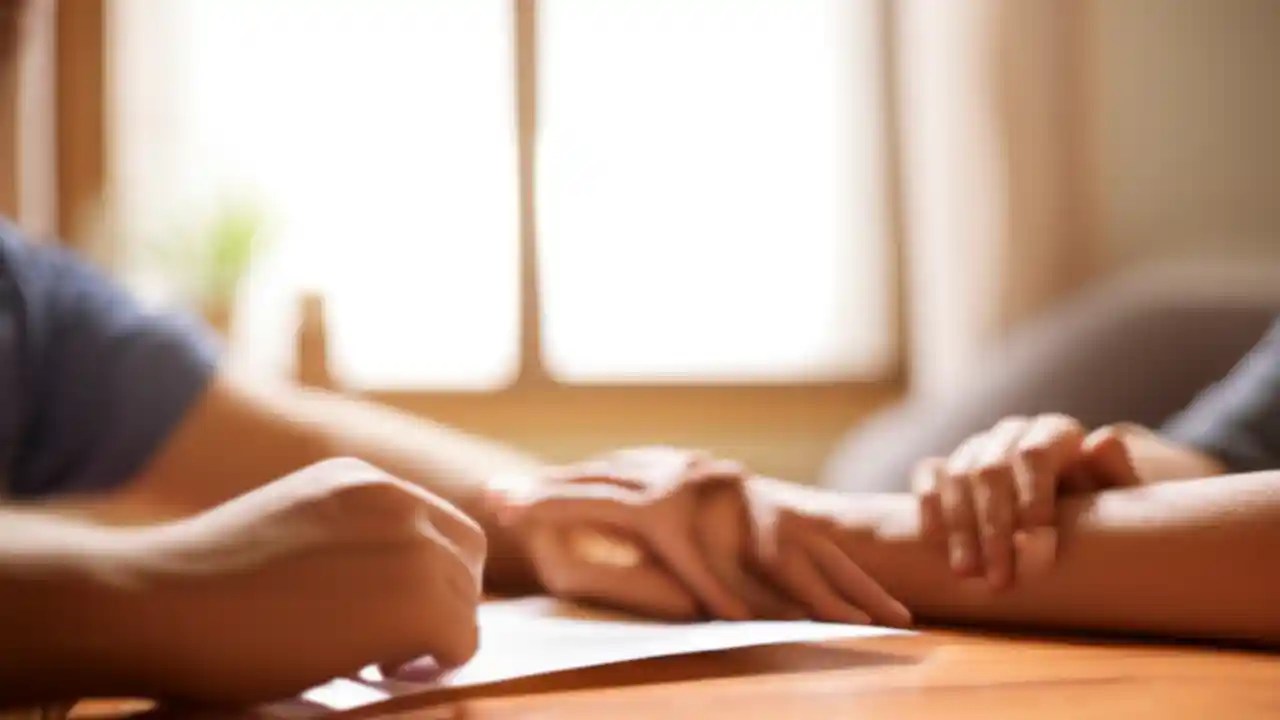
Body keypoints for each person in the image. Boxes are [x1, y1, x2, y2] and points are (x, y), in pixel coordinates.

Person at [3, 0, 1279, 707]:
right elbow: (1217, 474)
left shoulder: (34, 309)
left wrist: (568, 518)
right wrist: (149, 593)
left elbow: (457, 490)